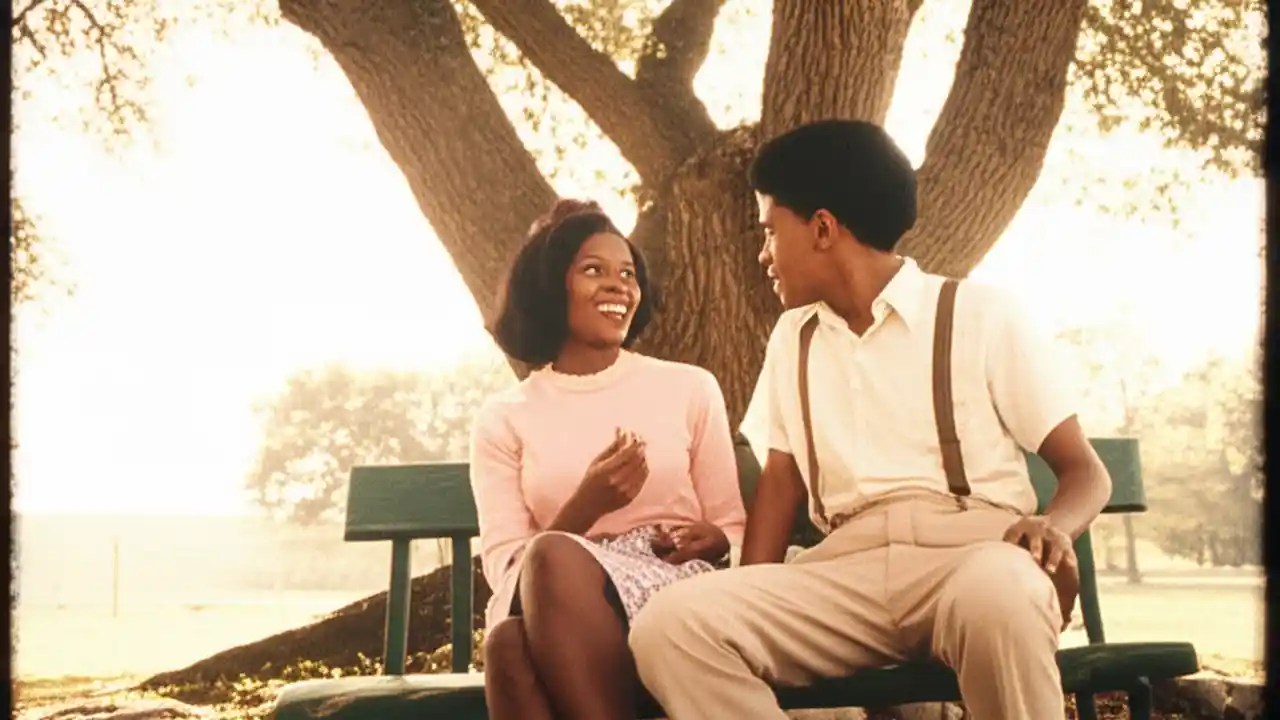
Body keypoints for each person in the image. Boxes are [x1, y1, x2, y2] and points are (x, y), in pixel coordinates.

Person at [628, 120, 1114, 719]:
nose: (762, 254)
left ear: (824, 229)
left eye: (769, 231)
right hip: (842, 573)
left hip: (970, 557)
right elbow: (781, 481)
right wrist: (748, 594)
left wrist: (1056, 527)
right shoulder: (792, 339)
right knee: (673, 624)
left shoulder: (977, 313)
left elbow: (1085, 471)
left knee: (1000, 594)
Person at [470, 198, 747, 720]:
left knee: (518, 630)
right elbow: (506, 572)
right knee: (507, 639)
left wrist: (715, 539)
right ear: (553, 286)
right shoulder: (506, 417)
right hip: (561, 603)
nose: (619, 285)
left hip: (672, 589)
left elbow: (732, 525)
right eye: (594, 270)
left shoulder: (688, 387)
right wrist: (585, 507)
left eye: (628, 273)